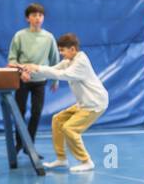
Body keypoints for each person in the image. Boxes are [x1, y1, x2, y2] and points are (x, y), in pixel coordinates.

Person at [23, 32, 108, 173]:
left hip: (95, 104)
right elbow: (53, 69)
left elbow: (62, 75)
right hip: (84, 103)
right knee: (57, 120)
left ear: (73, 49)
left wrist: (37, 68)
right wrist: (31, 70)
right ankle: (61, 159)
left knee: (69, 128)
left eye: (63, 50)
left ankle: (86, 161)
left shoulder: (81, 62)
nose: (61, 53)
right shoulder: (69, 61)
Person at [7, 3, 60, 157]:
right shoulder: (19, 36)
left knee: (36, 113)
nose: (37, 18)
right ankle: (18, 144)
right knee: (19, 112)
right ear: (27, 18)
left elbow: (55, 60)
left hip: (40, 82)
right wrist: (21, 71)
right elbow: (11, 60)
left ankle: (29, 146)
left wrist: (55, 80)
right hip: (22, 80)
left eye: (40, 15)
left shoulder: (49, 37)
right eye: (34, 15)